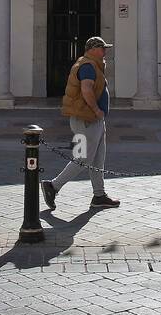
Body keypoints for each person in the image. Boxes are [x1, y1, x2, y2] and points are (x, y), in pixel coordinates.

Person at [41, 36, 120, 211]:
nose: (105, 51)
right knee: (83, 158)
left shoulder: (91, 65)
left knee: (98, 159)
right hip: (86, 120)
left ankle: (99, 195)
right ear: (92, 49)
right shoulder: (87, 66)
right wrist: (96, 109)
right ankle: (53, 186)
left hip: (93, 121)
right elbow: (86, 89)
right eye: (102, 48)